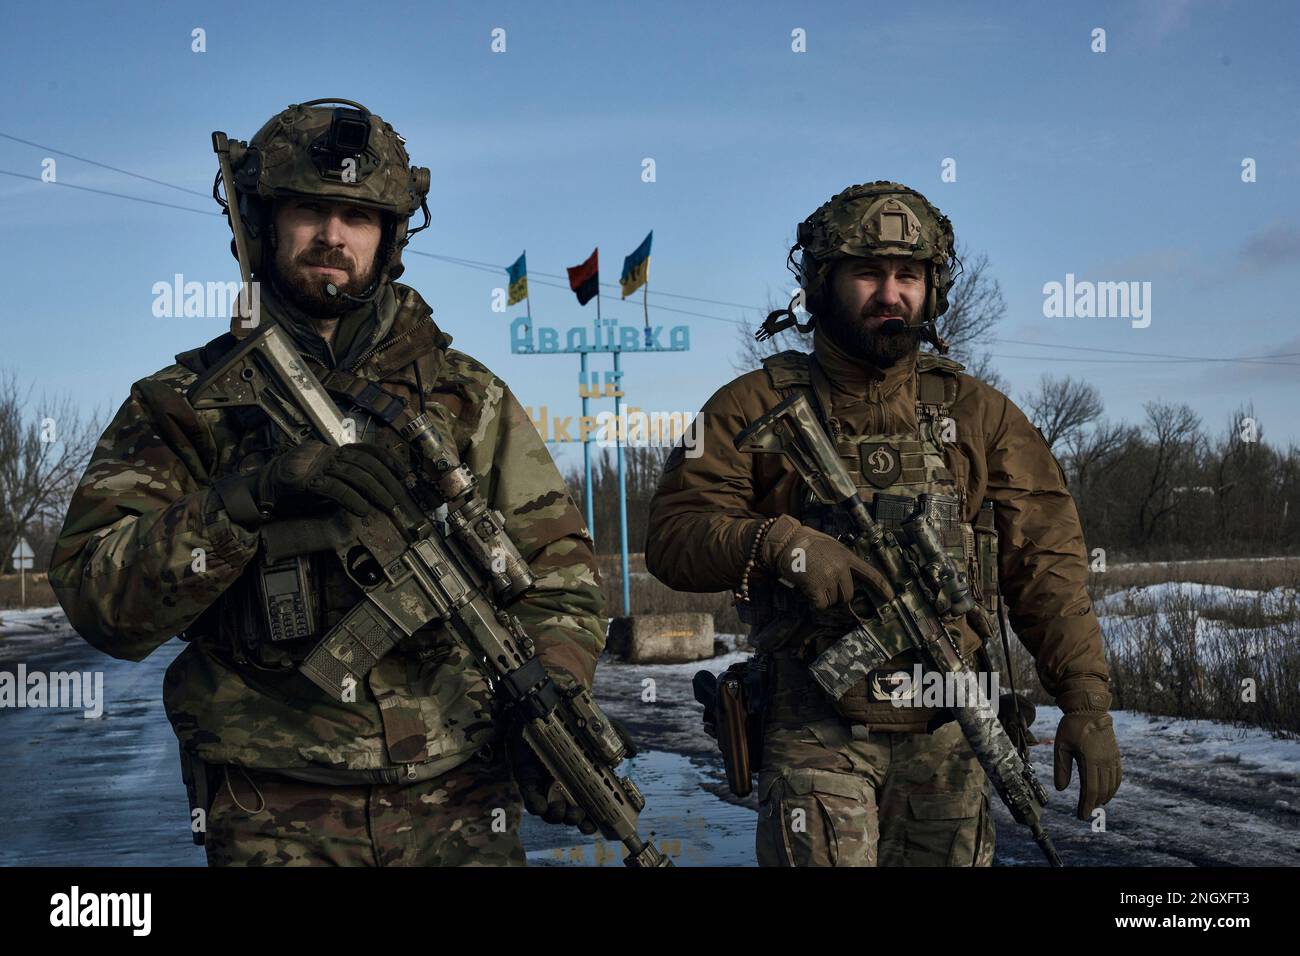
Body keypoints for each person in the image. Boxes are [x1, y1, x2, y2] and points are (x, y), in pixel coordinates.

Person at [50, 99, 606, 866]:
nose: (333, 235)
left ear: (391, 236)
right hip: (273, 808)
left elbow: (564, 580)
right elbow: (96, 597)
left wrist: (552, 688)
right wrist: (244, 502)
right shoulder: (184, 403)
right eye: (311, 208)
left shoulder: (466, 398)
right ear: (263, 221)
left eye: (359, 214)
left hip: (462, 799)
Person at [645, 181, 1122, 866]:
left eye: (908, 276)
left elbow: (1047, 567)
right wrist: (778, 543)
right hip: (815, 726)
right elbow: (673, 535)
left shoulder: (981, 416)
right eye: (868, 273)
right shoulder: (751, 405)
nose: (890, 294)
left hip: (950, 727)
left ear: (934, 288)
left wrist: (1086, 703)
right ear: (820, 283)